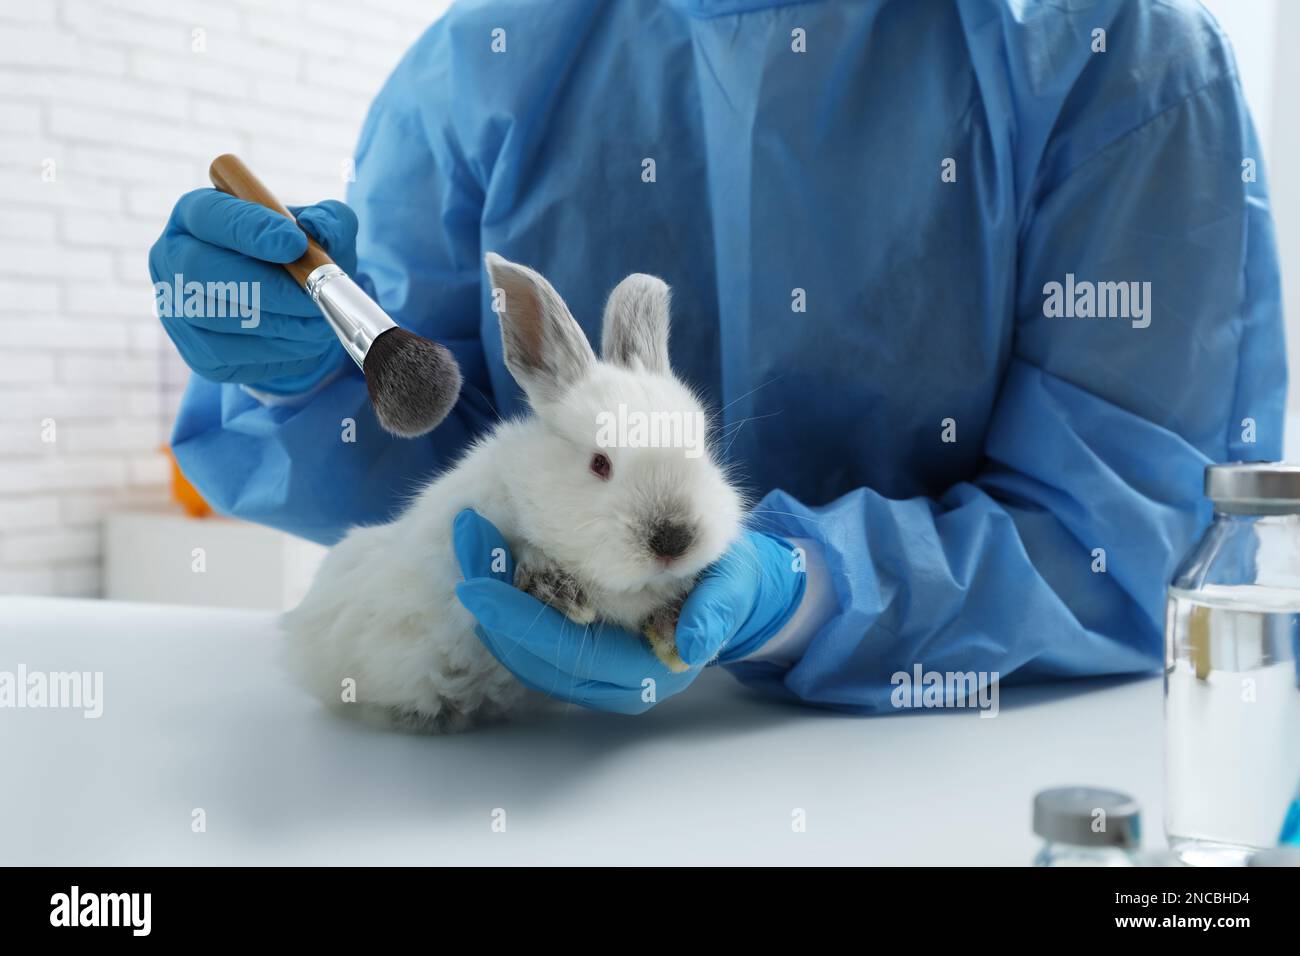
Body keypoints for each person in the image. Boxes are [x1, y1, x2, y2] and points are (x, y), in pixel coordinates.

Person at [150, 0, 1285, 715]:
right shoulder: (487, 64)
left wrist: (802, 593)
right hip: (540, 783)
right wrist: (297, 369)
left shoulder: (1116, 59)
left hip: (968, 784)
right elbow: (432, 461)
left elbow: (1130, 542)